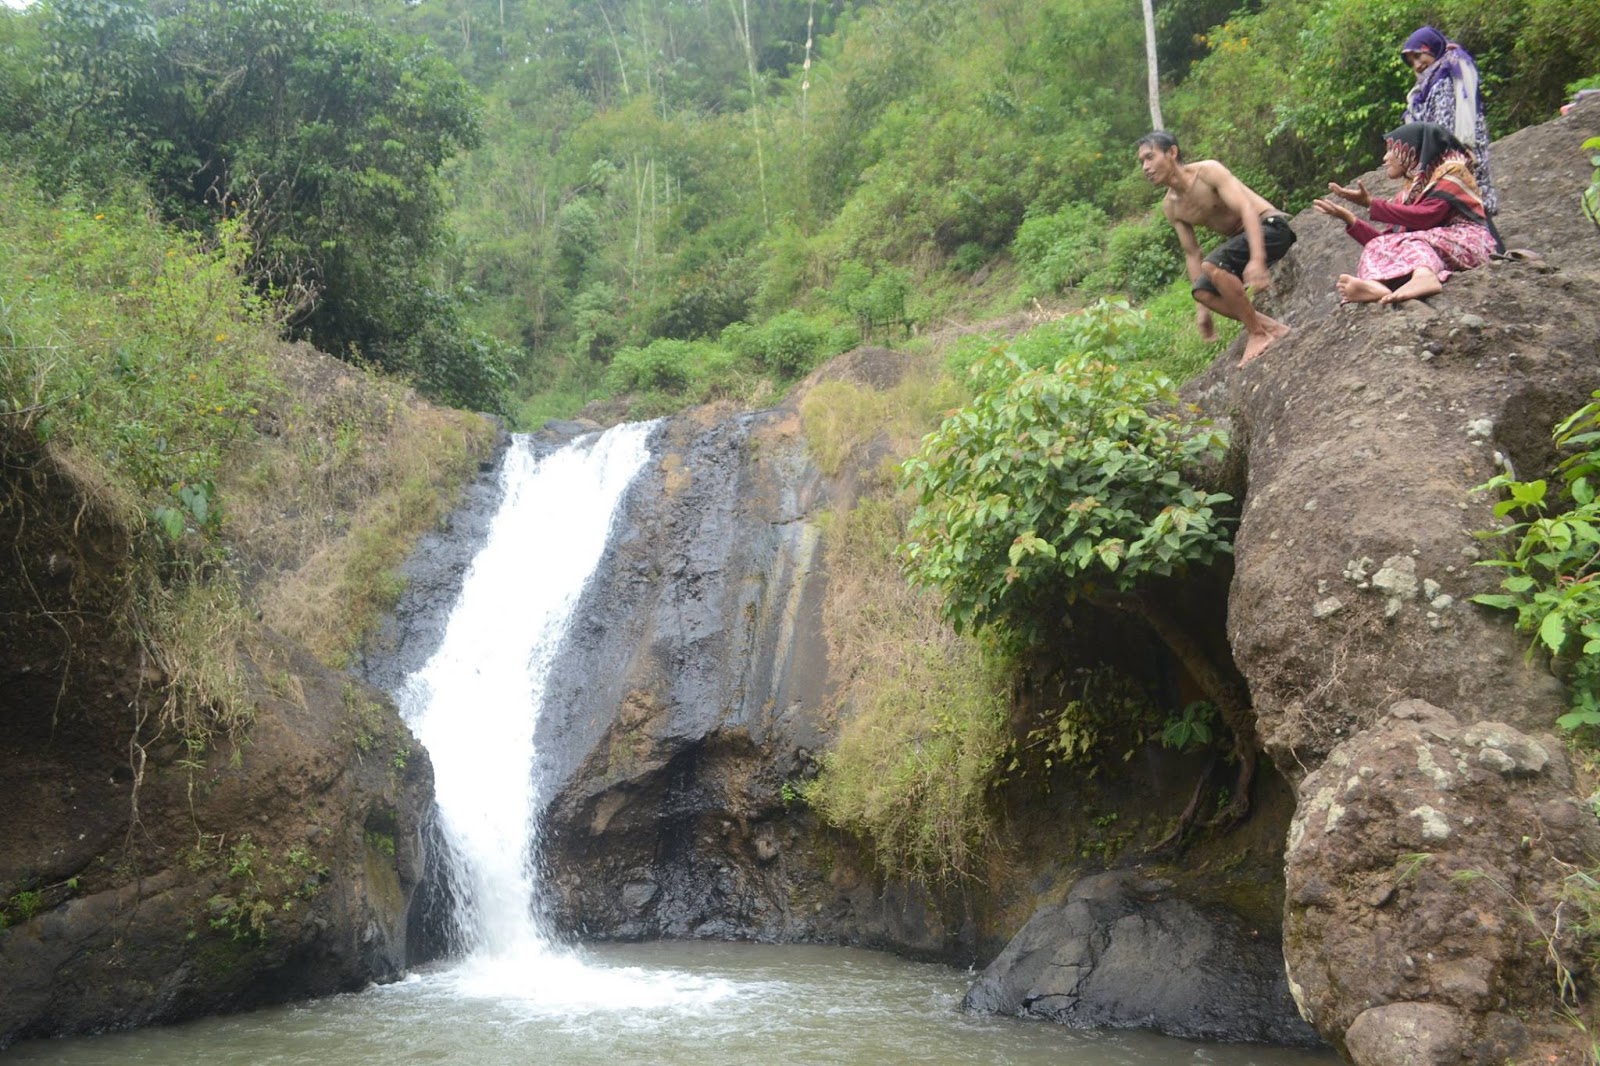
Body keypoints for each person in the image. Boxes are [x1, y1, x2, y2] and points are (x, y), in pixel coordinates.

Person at [1136, 131, 1297, 366]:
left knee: (1213, 264)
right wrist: (1202, 309)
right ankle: (1271, 327)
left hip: (1271, 227)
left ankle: (1257, 334)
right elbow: (1192, 253)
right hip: (1241, 242)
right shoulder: (1171, 207)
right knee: (1202, 291)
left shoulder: (1208, 172)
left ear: (1172, 152)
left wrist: (1257, 260)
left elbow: (1246, 209)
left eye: (1150, 157)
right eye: (1142, 162)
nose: (1145, 167)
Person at [1312, 122, 1496, 305]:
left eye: (1391, 149)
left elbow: (1427, 216)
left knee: (1412, 240)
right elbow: (1388, 241)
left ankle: (1424, 276)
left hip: (1470, 243)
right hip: (1435, 247)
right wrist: (1350, 219)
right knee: (1376, 246)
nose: (1385, 158)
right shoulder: (1409, 192)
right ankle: (1376, 286)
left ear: (1411, 150)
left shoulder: (1453, 170)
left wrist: (1371, 204)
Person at [1401, 26, 1497, 217]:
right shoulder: (1426, 84)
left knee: (1468, 205)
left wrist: (1459, 147)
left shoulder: (1451, 69)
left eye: (1419, 56)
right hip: (1444, 153)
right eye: (1412, 63)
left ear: (1431, 48)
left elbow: (1454, 114)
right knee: (1460, 208)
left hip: (1459, 150)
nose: (1417, 65)